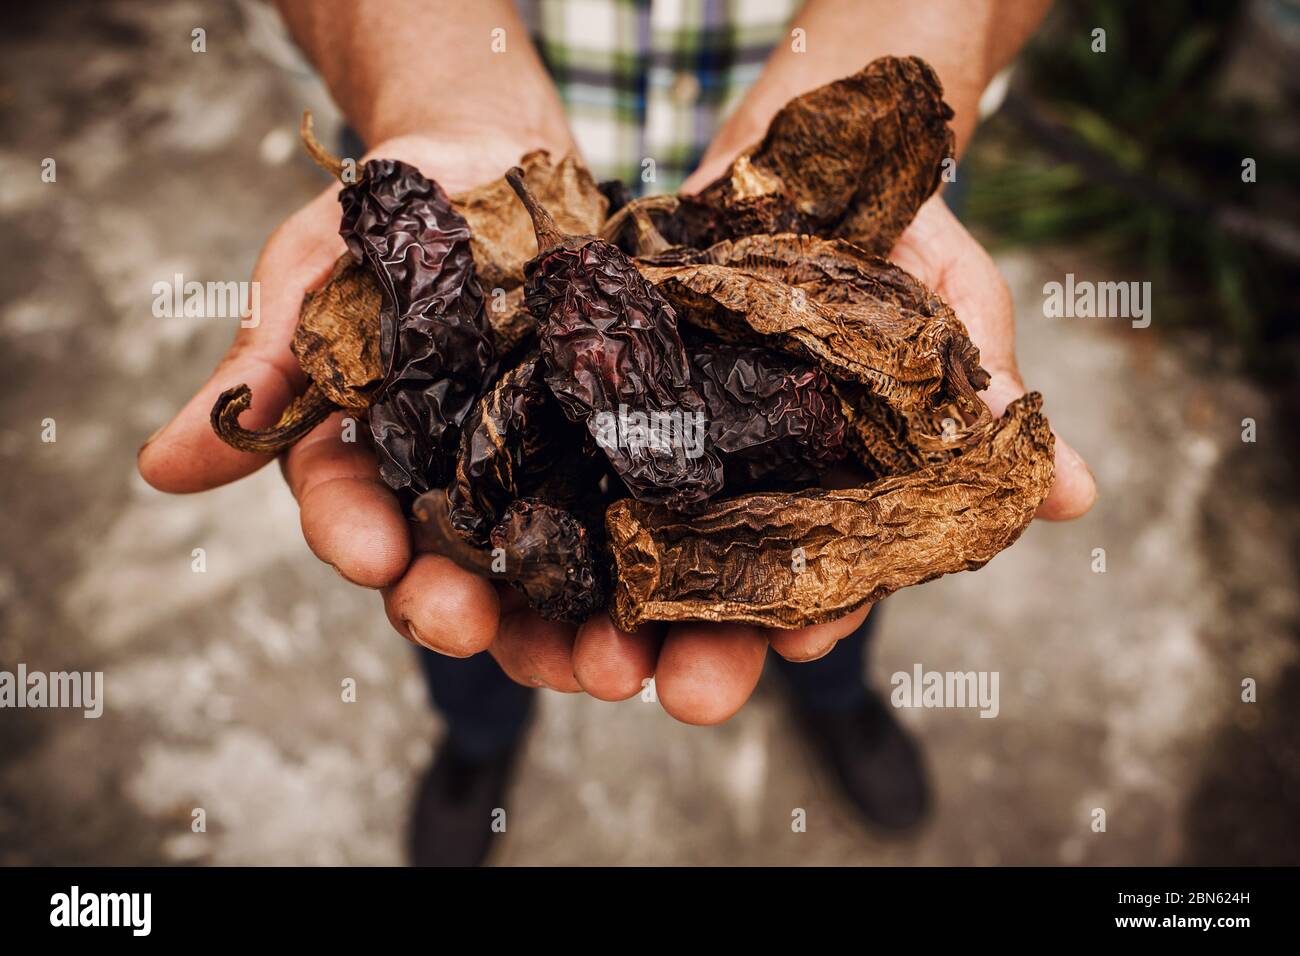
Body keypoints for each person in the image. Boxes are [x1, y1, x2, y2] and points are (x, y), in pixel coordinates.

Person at [138, 0, 1095, 866]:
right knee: (446, 567)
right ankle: (476, 745)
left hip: (808, 212)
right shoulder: (539, 375)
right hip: (490, 152)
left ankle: (838, 702)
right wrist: (427, 76)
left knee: (826, 567)